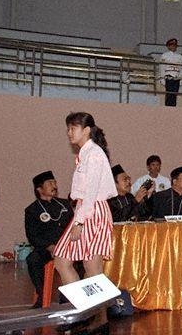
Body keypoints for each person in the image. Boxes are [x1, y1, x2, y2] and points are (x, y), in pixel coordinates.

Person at [53, 112, 118, 287]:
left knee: (92, 268)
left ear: (86, 130)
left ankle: (96, 303)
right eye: (68, 129)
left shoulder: (94, 153)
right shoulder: (86, 153)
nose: (69, 132)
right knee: (63, 261)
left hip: (93, 211)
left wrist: (79, 222)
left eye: (73, 128)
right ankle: (83, 301)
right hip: (86, 210)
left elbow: (91, 191)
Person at [24, 171, 73, 307]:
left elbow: (73, 226)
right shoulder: (32, 210)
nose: (54, 185)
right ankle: (42, 295)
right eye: (50, 183)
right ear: (39, 189)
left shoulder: (65, 205)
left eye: (54, 182)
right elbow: (32, 236)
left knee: (83, 260)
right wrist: (50, 247)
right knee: (33, 260)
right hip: (47, 249)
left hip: (67, 248)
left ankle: (68, 296)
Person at [157, 37, 182, 107]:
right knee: (169, 94)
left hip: (176, 77)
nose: (173, 47)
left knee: (174, 94)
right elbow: (162, 67)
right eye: (172, 45)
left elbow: (181, 68)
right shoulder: (165, 55)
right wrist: (162, 78)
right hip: (168, 76)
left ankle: (173, 108)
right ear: (168, 46)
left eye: (175, 45)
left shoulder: (179, 56)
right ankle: (168, 108)